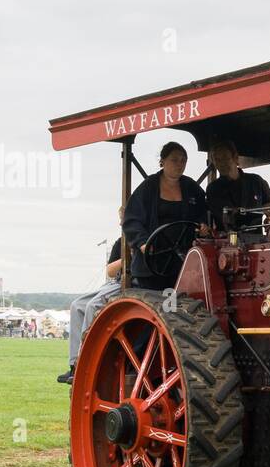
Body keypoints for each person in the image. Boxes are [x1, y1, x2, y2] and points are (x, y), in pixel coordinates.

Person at [122, 142, 209, 290]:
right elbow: (131, 220)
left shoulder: (191, 187)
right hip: (152, 263)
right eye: (174, 160)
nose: (179, 164)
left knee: (181, 306)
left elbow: (204, 212)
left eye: (183, 160)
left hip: (183, 261)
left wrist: (203, 225)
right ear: (162, 161)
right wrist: (143, 243)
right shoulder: (148, 187)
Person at [57, 229, 125, 385]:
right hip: (117, 281)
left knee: (93, 306)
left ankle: (86, 363)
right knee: (76, 305)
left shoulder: (141, 237)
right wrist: (127, 257)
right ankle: (75, 364)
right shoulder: (122, 242)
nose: (122, 223)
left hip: (129, 283)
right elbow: (111, 271)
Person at [206, 137, 270, 233]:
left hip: (258, 241)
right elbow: (229, 217)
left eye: (225, 158)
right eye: (217, 160)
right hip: (226, 243)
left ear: (236, 158)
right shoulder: (213, 189)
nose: (221, 163)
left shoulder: (256, 181)